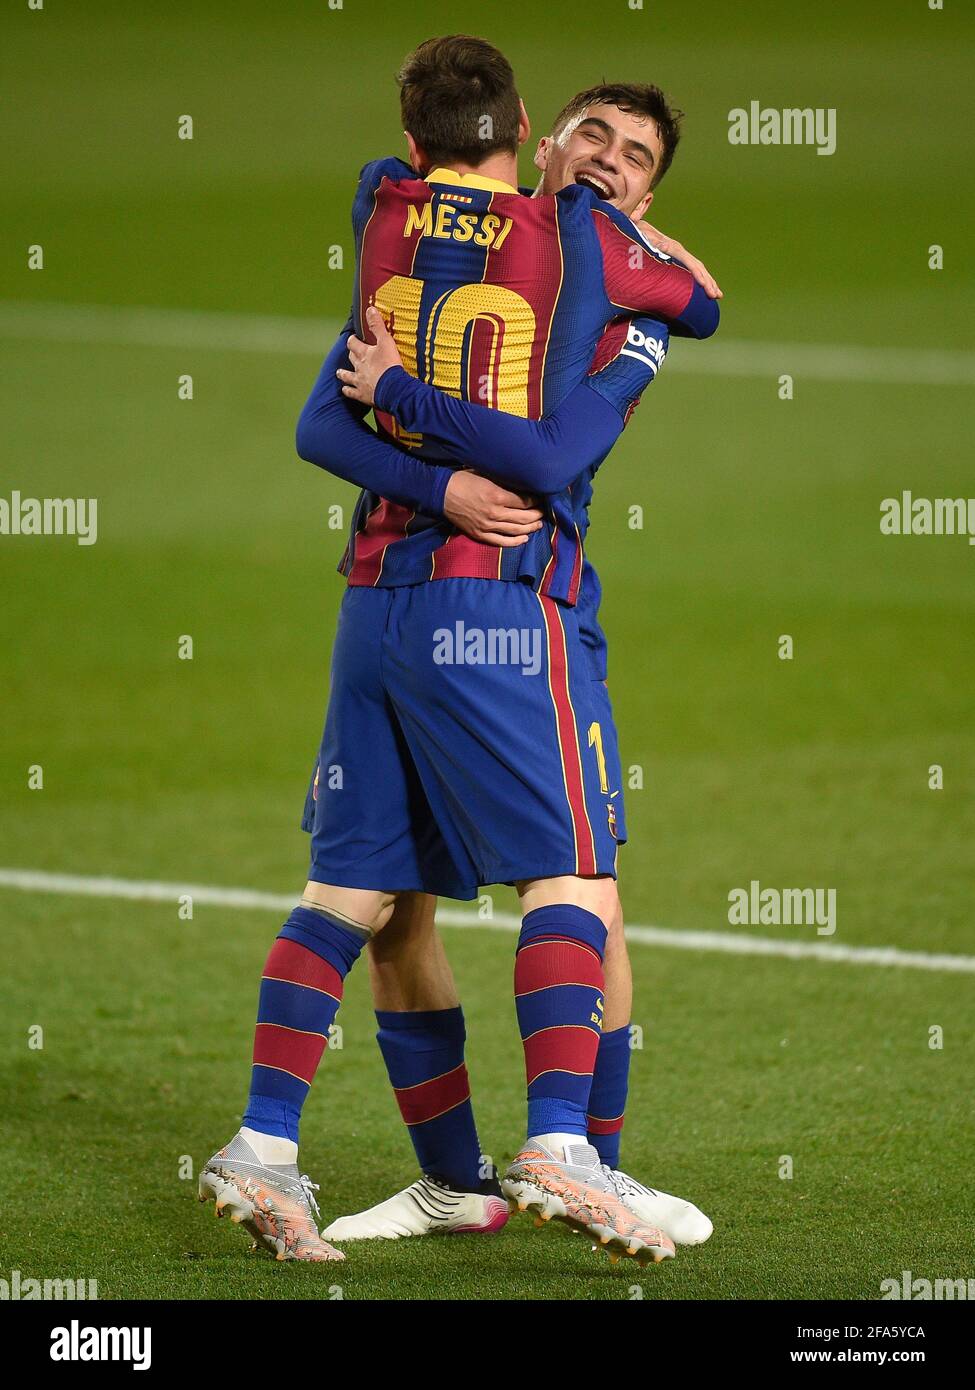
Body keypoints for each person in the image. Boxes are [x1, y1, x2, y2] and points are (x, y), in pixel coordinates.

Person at [199, 35, 717, 1267]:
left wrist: (420, 418)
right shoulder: (566, 252)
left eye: (635, 156)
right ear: (541, 134)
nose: (606, 159)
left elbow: (344, 413)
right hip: (493, 611)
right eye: (591, 136)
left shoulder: (397, 213)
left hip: (385, 602)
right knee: (573, 876)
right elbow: (665, 337)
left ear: (648, 194)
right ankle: (549, 1152)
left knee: (369, 897)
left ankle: (271, 1145)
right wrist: (463, 488)